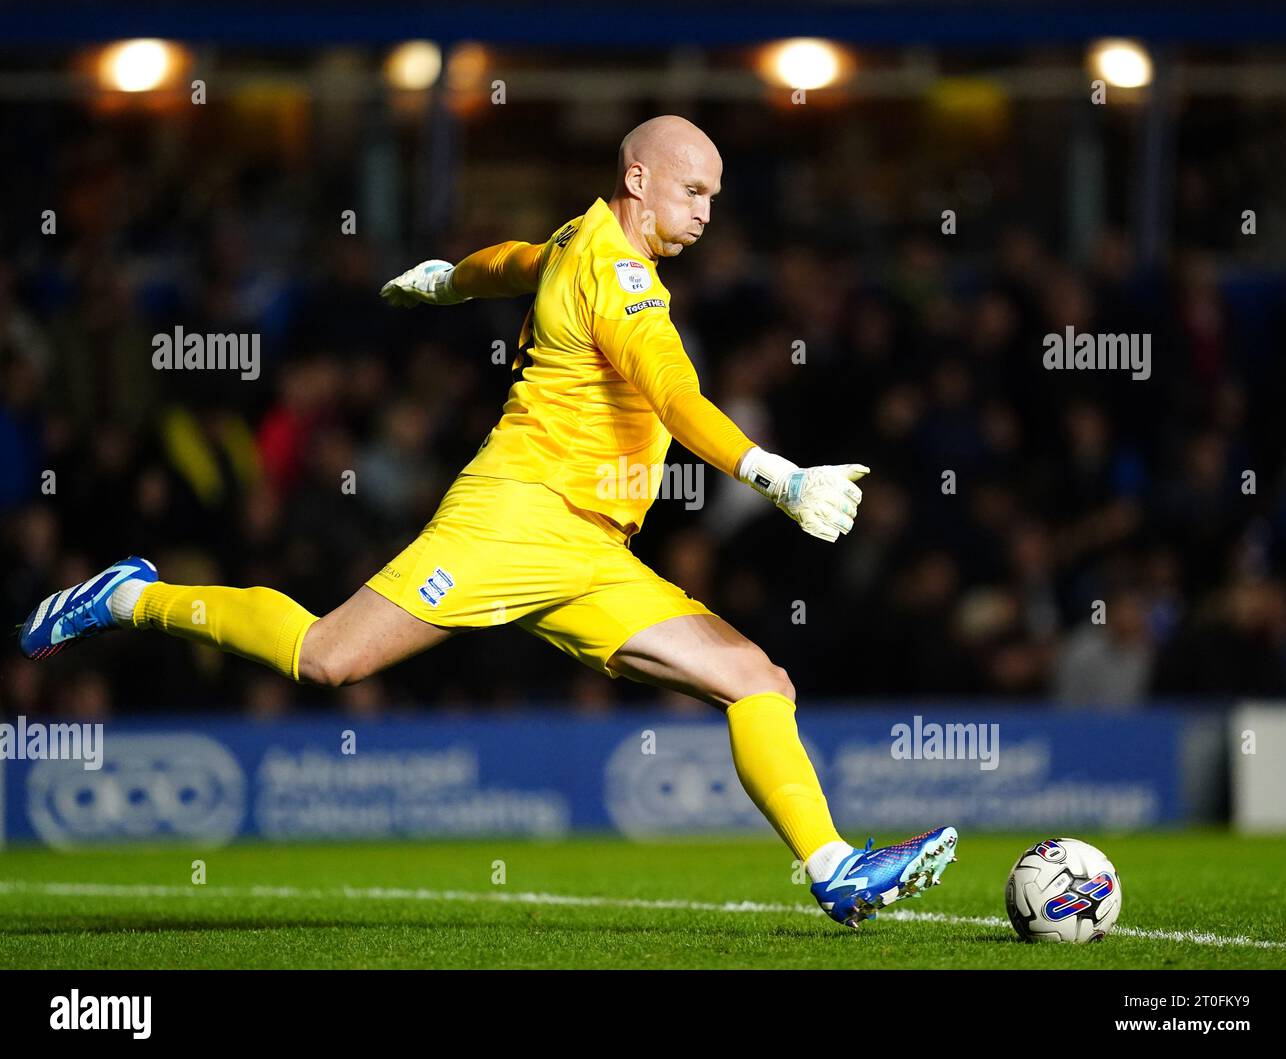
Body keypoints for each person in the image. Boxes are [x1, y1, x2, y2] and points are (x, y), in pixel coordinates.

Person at [19, 115, 956, 927]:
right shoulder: (625, 278)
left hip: (591, 548)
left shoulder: (578, 242)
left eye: (716, 194)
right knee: (326, 658)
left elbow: (515, 261)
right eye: (693, 189)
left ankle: (834, 868)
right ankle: (133, 596)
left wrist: (445, 284)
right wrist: (777, 476)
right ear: (638, 181)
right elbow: (675, 394)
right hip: (516, 519)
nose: (708, 210)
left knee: (758, 678)